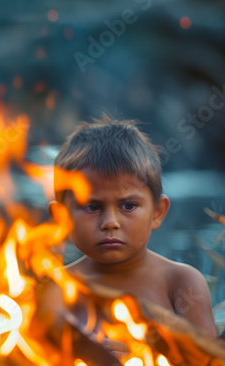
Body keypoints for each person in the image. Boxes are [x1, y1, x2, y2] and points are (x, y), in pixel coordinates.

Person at [45, 116, 216, 334]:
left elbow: (211, 365)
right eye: (92, 207)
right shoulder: (55, 289)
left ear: (157, 212)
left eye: (127, 206)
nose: (110, 223)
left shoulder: (181, 284)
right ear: (61, 218)